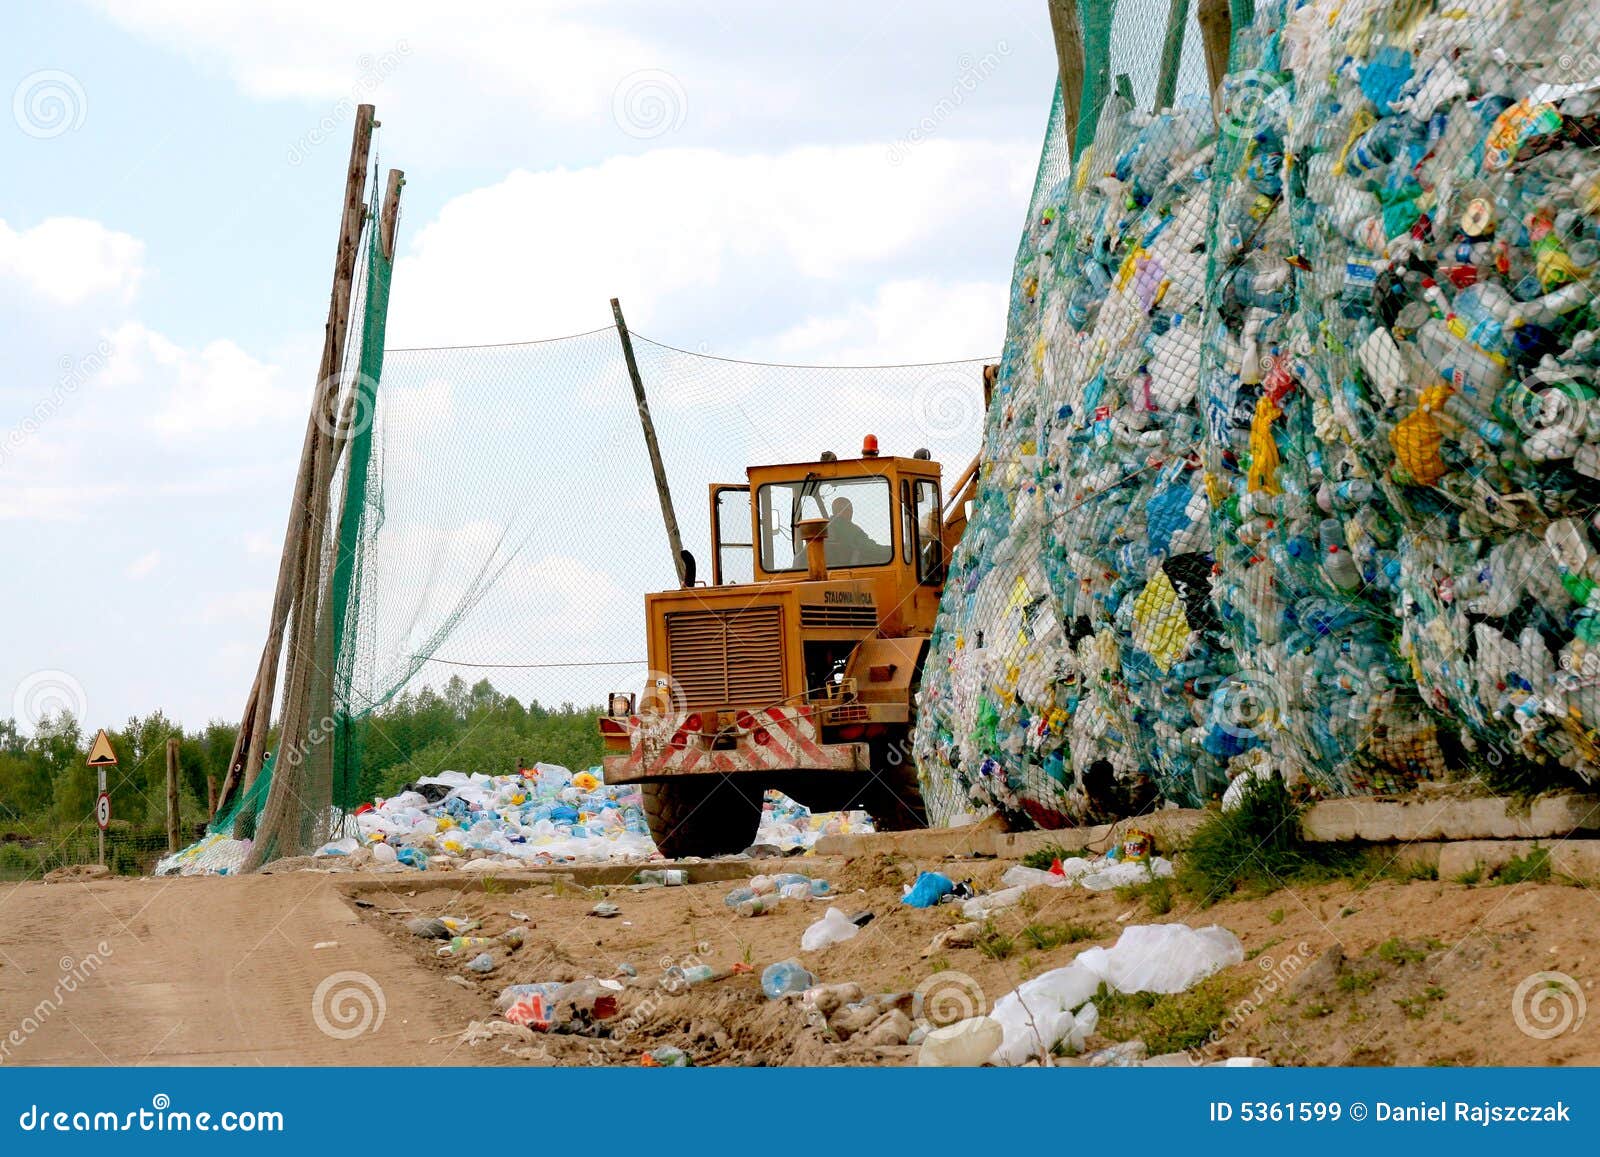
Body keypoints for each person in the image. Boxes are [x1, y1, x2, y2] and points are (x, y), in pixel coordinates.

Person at [825, 496, 883, 567]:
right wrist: (893, 550)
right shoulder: (848, 528)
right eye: (850, 510)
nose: (851, 513)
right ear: (846, 511)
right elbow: (870, 548)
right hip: (849, 571)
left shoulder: (824, 527)